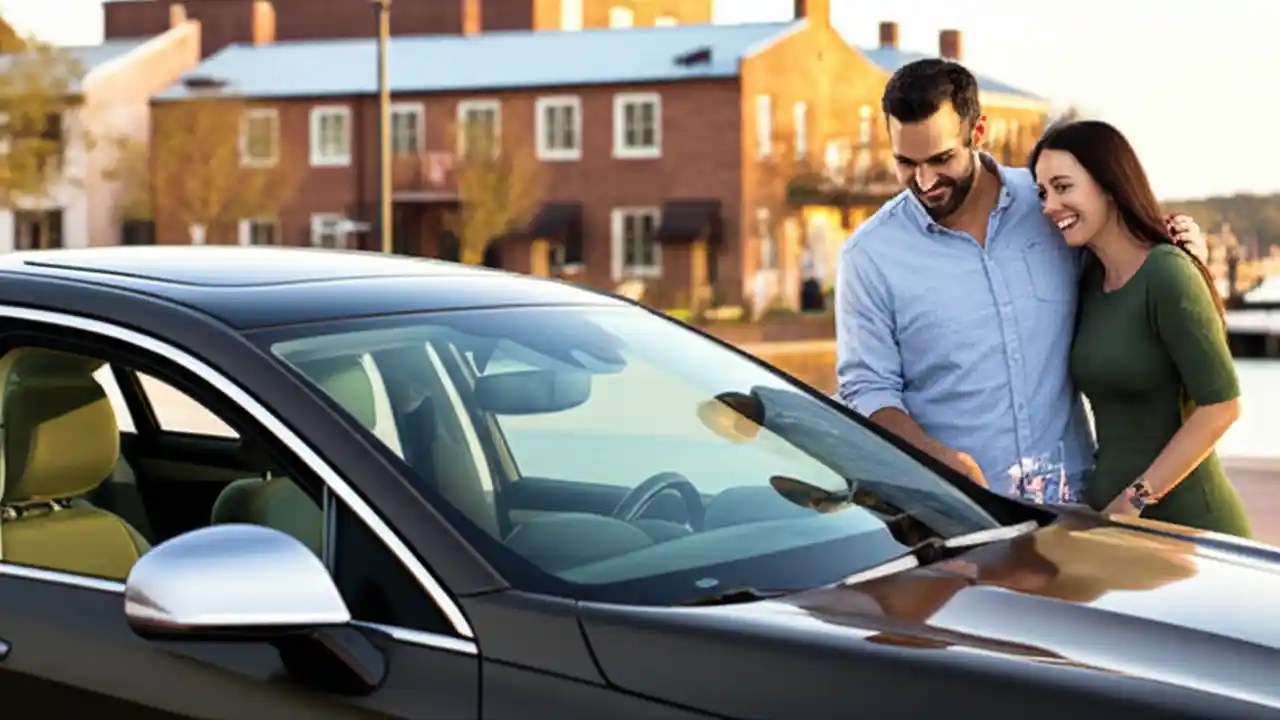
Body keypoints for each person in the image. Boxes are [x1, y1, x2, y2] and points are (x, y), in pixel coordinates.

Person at [835, 58, 1206, 504]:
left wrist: (1184, 254)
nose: (925, 181)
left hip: (1078, 502)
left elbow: (1130, 269)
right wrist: (931, 455)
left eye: (941, 159)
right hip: (962, 511)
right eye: (905, 163)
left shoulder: (1050, 208)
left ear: (977, 133)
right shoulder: (869, 256)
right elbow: (867, 390)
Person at [1030, 120, 1250, 536]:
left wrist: (1133, 501)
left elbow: (1222, 406)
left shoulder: (1167, 273)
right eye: (1043, 193)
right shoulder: (1087, 280)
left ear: (1109, 185)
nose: (1049, 205)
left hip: (1190, 530)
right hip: (1114, 524)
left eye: (1063, 187)